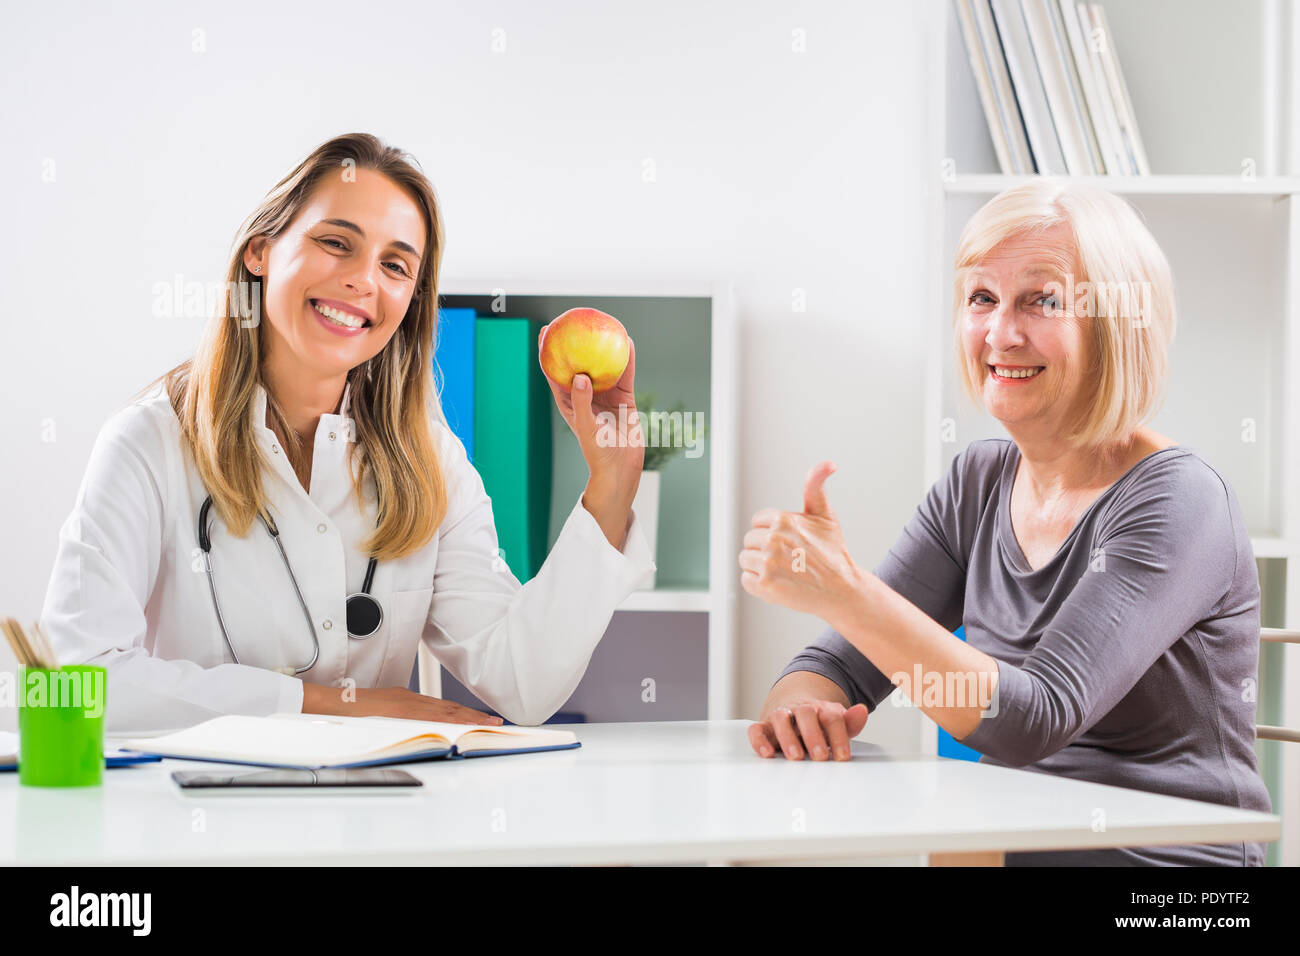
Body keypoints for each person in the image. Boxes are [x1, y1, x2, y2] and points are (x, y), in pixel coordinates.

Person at [40, 132, 653, 733]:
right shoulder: (149, 444)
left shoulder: (432, 461)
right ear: (260, 252)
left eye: (395, 265)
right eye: (337, 243)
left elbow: (524, 681)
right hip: (203, 821)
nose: (365, 280)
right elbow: (76, 683)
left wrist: (612, 484)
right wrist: (334, 706)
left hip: (378, 819)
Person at [738, 181, 1272, 866]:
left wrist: (843, 590)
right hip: (1020, 844)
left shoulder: (1179, 500)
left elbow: (1031, 719)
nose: (1000, 333)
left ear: (1114, 324)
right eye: (982, 298)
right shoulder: (978, 484)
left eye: (1042, 300)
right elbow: (832, 666)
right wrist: (802, 710)